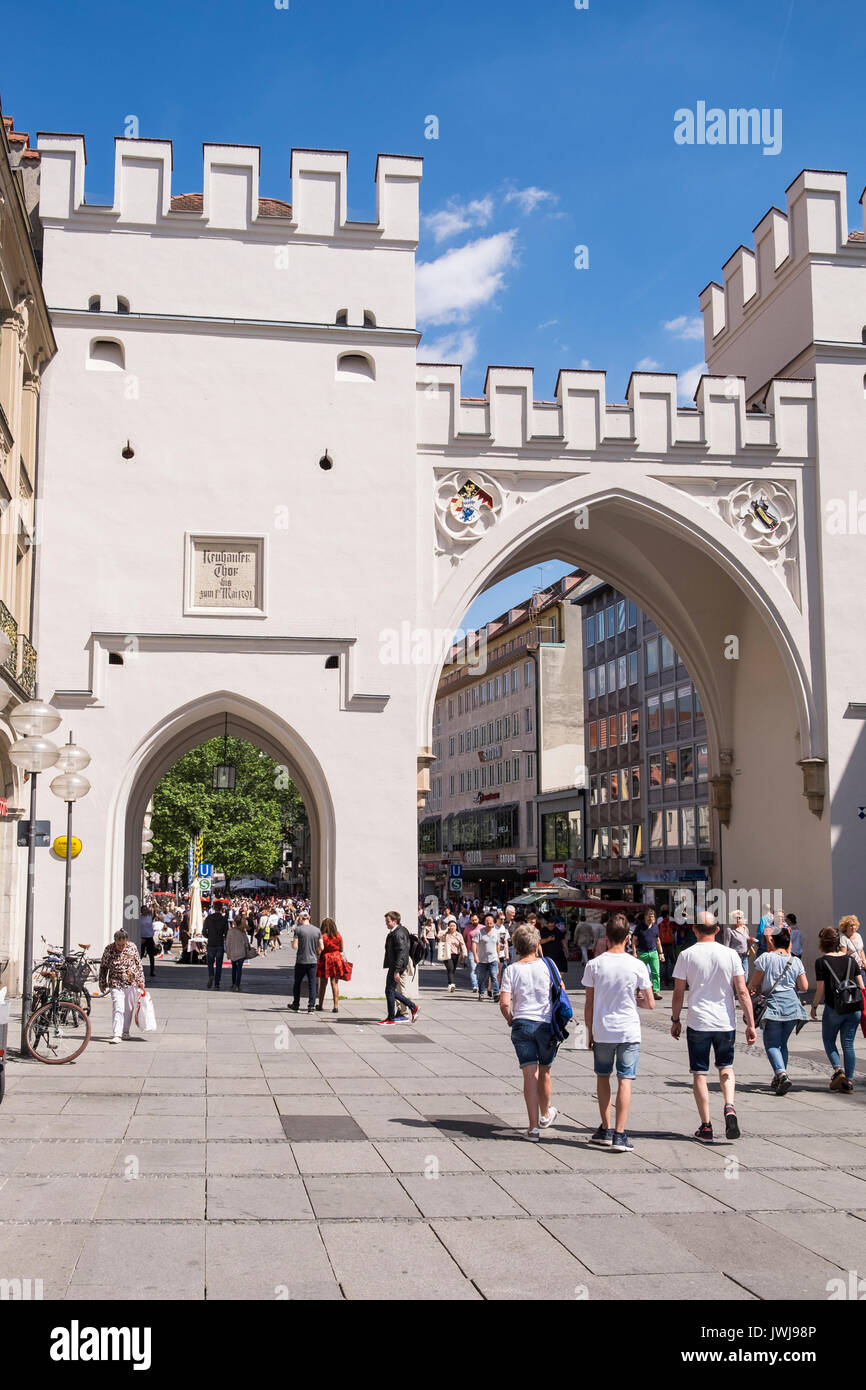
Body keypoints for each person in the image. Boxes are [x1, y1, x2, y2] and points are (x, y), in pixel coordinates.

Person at [670, 912, 757, 1142]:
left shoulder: (686, 955)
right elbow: (742, 991)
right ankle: (729, 1106)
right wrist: (751, 1023)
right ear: (717, 930)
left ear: (695, 930)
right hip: (724, 1021)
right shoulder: (730, 955)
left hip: (698, 1022)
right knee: (726, 1067)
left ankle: (706, 1125)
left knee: (700, 1073)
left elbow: (678, 992)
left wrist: (675, 1019)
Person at [583, 913, 655, 1153]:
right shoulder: (637, 965)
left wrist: (589, 1032)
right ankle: (620, 1134)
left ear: (606, 936)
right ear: (627, 938)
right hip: (628, 1031)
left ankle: (605, 1128)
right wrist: (635, 999)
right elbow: (650, 1003)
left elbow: (589, 1003)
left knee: (603, 1077)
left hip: (603, 1029)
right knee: (625, 1080)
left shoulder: (594, 964)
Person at [499, 923, 563, 1142]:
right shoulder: (548, 965)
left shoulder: (511, 970)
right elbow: (561, 991)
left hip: (522, 1024)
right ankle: (546, 1115)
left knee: (529, 1074)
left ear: (516, 946)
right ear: (537, 944)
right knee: (545, 1070)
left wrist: (511, 1020)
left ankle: (533, 1128)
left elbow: (504, 1004)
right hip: (545, 1025)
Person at [749, 927, 808, 1094]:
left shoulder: (766, 958)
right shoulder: (795, 961)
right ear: (788, 942)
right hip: (792, 1005)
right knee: (783, 1043)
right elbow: (804, 986)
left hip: (773, 1004)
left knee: (772, 1044)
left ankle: (782, 1075)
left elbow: (755, 982)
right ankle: (780, 1076)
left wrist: (751, 989)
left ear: (772, 941)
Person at [811, 925, 864, 1093]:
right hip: (854, 1006)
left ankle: (837, 1070)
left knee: (828, 1040)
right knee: (848, 1044)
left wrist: (813, 1006)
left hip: (835, 1007)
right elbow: (861, 985)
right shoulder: (850, 959)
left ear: (823, 943)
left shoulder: (821, 962)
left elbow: (820, 988)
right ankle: (848, 1081)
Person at [98, 928, 145, 1043]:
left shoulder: (132, 947)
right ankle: (117, 1034)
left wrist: (141, 980)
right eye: (118, 945)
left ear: (126, 941)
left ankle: (125, 1031)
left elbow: (138, 964)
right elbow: (103, 966)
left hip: (131, 982)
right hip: (115, 982)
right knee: (118, 1007)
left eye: (123, 944)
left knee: (129, 1008)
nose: (121, 947)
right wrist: (102, 982)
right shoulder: (109, 949)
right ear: (115, 941)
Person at [380, 910, 419, 1025]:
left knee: (389, 990)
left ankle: (392, 1018)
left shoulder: (398, 933)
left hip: (396, 966)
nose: (386, 923)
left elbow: (402, 952)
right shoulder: (397, 931)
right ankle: (411, 1008)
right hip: (396, 965)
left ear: (395, 921)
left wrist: (397, 970)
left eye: (388, 921)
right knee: (390, 990)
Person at [290, 912, 322, 1012]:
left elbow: (295, 946)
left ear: (300, 918)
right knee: (312, 984)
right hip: (313, 961)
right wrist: (317, 951)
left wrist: (292, 943)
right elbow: (322, 947)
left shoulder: (298, 930)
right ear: (309, 917)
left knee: (297, 983)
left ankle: (296, 1004)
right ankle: (311, 1005)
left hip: (301, 960)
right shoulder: (317, 930)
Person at [316, 918, 350, 1013]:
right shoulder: (338, 936)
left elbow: (319, 950)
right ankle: (335, 1006)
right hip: (336, 959)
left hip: (326, 959)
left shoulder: (323, 936)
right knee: (334, 983)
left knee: (323, 983)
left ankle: (320, 1005)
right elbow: (341, 949)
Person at [631, 907, 663, 1000]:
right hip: (642, 953)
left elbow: (658, 940)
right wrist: (634, 952)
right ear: (645, 917)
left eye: (652, 917)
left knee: (656, 973)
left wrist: (661, 953)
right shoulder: (639, 927)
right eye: (649, 916)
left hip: (653, 952)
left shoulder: (655, 926)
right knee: (640, 973)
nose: (651, 919)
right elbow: (634, 940)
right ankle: (639, 991)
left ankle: (656, 991)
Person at [474, 915, 502, 1002]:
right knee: (481, 978)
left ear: (493, 923)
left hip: (493, 958)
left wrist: (497, 956)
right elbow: (474, 943)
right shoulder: (479, 932)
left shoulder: (496, 932)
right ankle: (481, 993)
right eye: (487, 922)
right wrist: (475, 955)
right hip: (482, 959)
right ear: (485, 922)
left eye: (490, 922)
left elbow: (498, 944)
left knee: (493, 976)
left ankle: (496, 994)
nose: (489, 923)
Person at [202, 902, 228, 990]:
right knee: (219, 964)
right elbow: (226, 933)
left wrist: (208, 936)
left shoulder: (209, 918)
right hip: (219, 943)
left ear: (213, 907)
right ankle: (217, 984)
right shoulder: (224, 919)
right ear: (221, 908)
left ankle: (211, 975)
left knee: (210, 962)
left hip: (211, 943)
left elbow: (203, 932)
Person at [722, 910, 752, 978]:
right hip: (735, 957)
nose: (738, 919)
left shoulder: (745, 928)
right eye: (736, 918)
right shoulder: (729, 930)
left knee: (745, 977)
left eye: (740, 917)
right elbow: (726, 946)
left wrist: (751, 942)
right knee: (736, 977)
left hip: (745, 957)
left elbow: (747, 941)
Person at [226, 915, 251, 992]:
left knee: (234, 968)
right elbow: (247, 942)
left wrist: (228, 952)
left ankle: (233, 984)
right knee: (239, 969)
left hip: (233, 952)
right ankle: (237, 985)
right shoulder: (242, 931)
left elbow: (227, 943)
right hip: (241, 952)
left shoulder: (230, 931)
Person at [657, 908, 676, 986]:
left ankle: (663, 980)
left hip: (662, 944)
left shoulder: (659, 923)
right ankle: (671, 979)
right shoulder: (671, 922)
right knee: (672, 962)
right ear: (667, 915)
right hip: (670, 945)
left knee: (663, 963)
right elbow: (674, 932)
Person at [462, 914, 480, 992]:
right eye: (472, 920)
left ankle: (480, 984)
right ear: (470, 920)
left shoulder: (482, 928)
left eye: (475, 920)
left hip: (481, 951)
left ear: (478, 920)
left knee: (481, 969)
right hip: (471, 951)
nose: (474, 921)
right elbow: (464, 939)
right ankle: (475, 985)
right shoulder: (467, 928)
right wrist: (464, 949)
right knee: (473, 968)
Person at [139, 904, 157, 979]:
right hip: (142, 938)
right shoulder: (139, 918)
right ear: (141, 911)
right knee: (141, 954)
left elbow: (155, 911)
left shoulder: (150, 917)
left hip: (149, 937)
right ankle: (136, 969)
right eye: (143, 910)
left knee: (151, 955)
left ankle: (152, 971)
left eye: (146, 909)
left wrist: (154, 904)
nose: (145, 911)